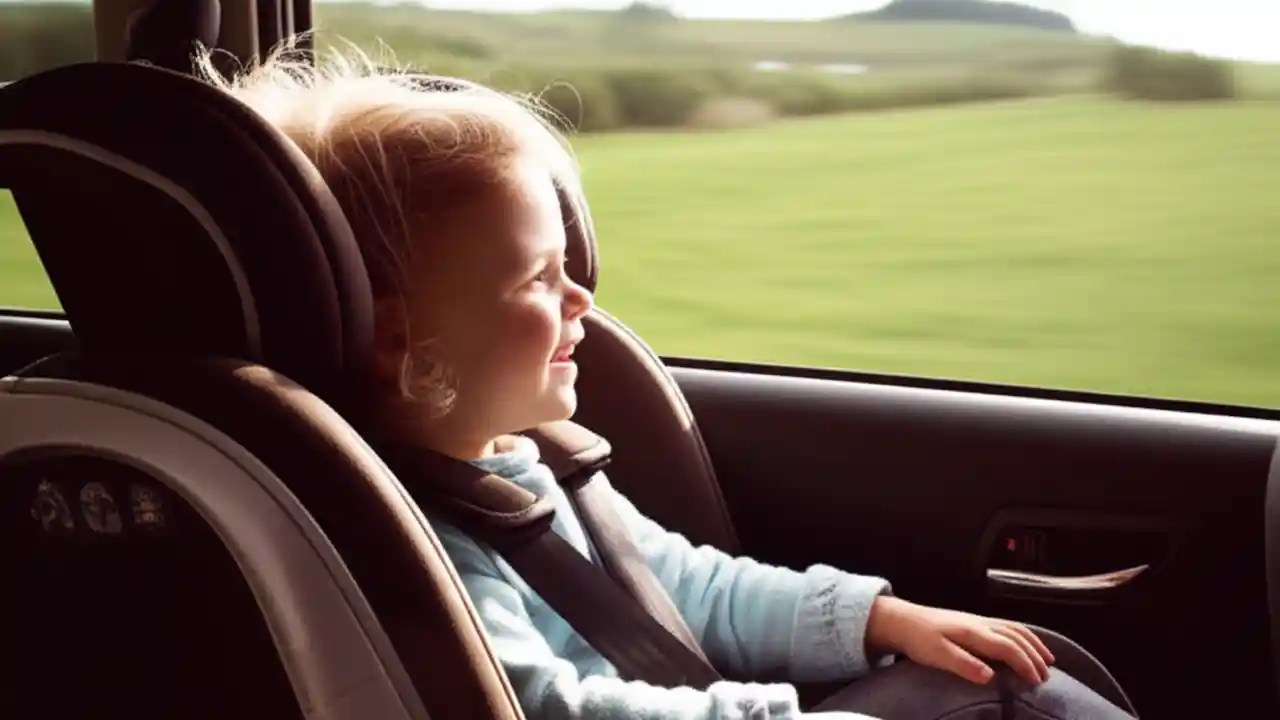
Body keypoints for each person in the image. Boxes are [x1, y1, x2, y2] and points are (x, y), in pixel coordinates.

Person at [197, 40, 1135, 720]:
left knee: (1014, 673)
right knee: (1014, 700)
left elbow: (687, 586)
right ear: (403, 342)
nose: (581, 301)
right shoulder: (403, 537)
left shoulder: (524, 468)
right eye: (536, 277)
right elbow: (548, 708)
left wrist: (880, 618)